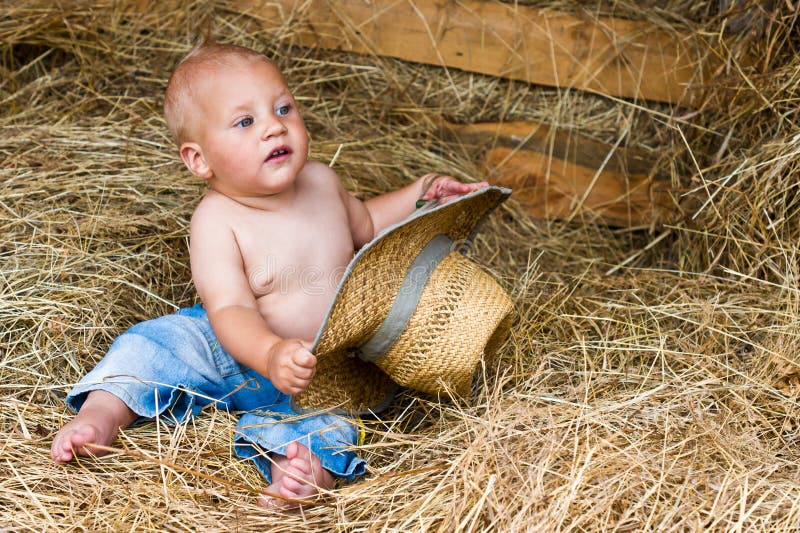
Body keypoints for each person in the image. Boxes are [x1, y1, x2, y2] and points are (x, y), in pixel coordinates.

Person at [50, 42, 487, 508]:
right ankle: (103, 414)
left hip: (320, 368)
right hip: (232, 348)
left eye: (283, 108)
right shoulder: (217, 219)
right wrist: (269, 350)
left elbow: (368, 226)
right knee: (151, 345)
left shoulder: (321, 182)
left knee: (327, 423)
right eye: (246, 121)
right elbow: (229, 308)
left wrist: (421, 194)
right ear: (199, 160)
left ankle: (299, 473)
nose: (274, 126)